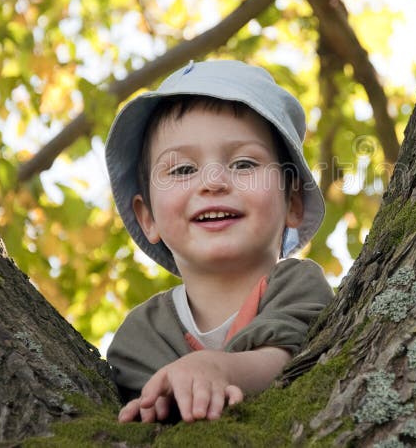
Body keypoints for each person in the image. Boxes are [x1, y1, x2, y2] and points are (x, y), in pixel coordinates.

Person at [104, 59, 333, 424]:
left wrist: (217, 368)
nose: (212, 182)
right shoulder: (142, 333)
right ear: (147, 217)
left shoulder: (299, 286)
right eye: (182, 169)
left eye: (244, 164)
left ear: (292, 203)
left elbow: (287, 359)